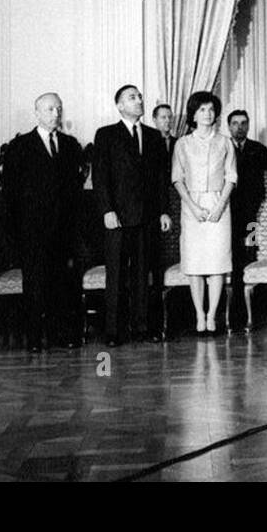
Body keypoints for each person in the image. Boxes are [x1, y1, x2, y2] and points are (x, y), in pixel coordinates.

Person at [0, 92, 85, 350]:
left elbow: (75, 190)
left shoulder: (71, 145)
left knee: (63, 284)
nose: (55, 114)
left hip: (64, 230)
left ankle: (62, 335)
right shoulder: (19, 147)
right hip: (32, 230)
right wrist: (14, 234)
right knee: (35, 285)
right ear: (36, 113)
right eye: (49, 109)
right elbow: (10, 193)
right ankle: (35, 338)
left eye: (59, 109)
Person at [92, 85, 171, 346]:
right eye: (132, 97)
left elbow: (161, 179)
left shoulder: (153, 136)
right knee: (115, 275)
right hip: (117, 217)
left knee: (142, 273)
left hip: (147, 217)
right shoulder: (106, 135)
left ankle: (142, 326)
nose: (139, 100)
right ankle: (113, 331)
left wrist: (163, 211)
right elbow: (100, 176)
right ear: (120, 106)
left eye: (139, 96)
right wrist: (107, 210)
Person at [172, 90, 237, 333]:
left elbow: (231, 177)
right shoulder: (183, 143)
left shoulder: (225, 142)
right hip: (192, 207)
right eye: (202, 110)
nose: (207, 114)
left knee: (217, 262)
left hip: (220, 204)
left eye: (211, 109)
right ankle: (199, 315)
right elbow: (177, 179)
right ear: (193, 114)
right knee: (196, 263)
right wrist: (192, 206)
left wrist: (220, 205)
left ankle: (212, 316)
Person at [227, 109, 267, 331]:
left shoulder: (259, 150)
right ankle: (235, 310)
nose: (239, 127)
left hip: (253, 213)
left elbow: (264, 180)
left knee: (252, 252)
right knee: (233, 257)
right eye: (235, 123)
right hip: (229, 213)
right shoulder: (223, 148)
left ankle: (256, 304)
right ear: (228, 126)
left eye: (244, 123)